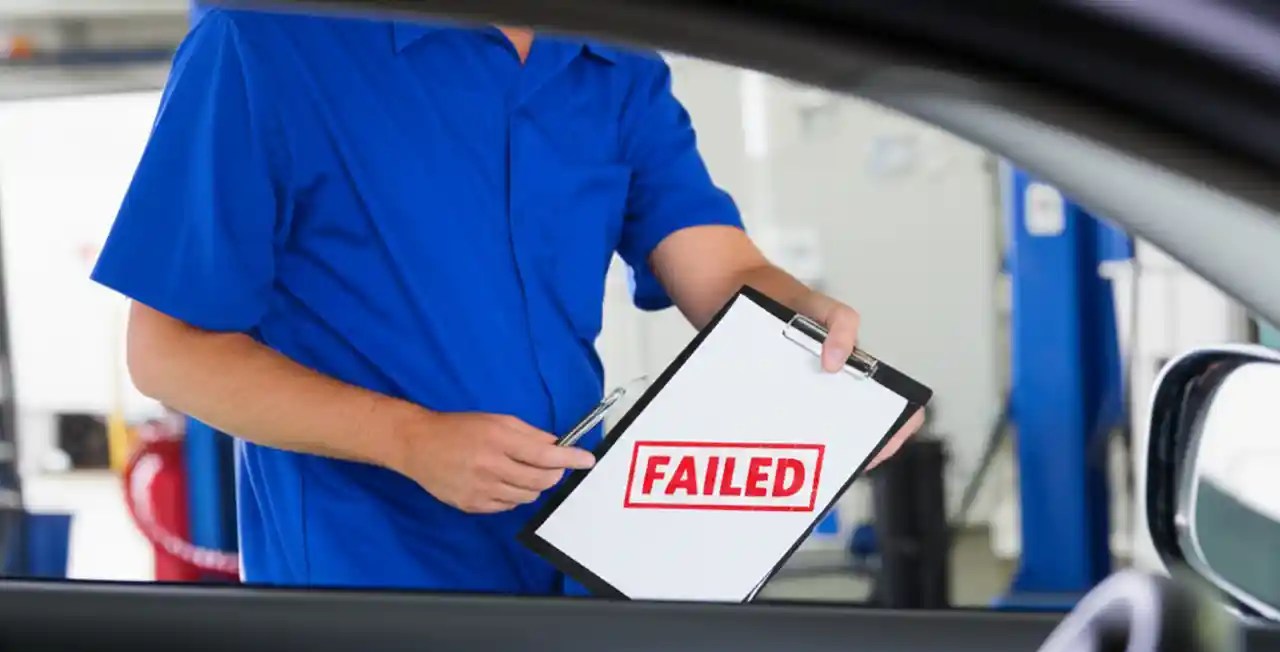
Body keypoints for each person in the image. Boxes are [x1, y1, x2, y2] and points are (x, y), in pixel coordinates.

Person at [92, 8, 923, 594]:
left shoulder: (614, 61)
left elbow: (720, 268)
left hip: (582, 562)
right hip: (364, 587)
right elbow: (169, 350)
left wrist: (815, 338)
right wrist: (410, 440)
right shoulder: (265, 44)